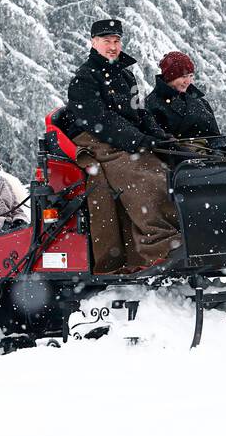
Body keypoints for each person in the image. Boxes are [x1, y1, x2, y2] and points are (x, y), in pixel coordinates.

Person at [63, 18, 181, 274]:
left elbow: (141, 113)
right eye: (107, 41)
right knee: (142, 175)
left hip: (123, 136)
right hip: (94, 139)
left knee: (171, 164)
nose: (113, 46)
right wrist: (136, 141)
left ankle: (178, 236)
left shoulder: (127, 75)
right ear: (94, 43)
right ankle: (161, 246)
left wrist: (159, 137)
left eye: (116, 41)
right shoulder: (84, 79)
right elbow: (100, 120)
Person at [146, 51, 226, 157]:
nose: (188, 81)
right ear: (170, 77)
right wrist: (185, 152)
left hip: (209, 156)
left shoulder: (200, 101)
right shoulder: (154, 102)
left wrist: (219, 150)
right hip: (177, 160)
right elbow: (158, 140)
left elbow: (214, 135)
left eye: (191, 76)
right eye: (183, 76)